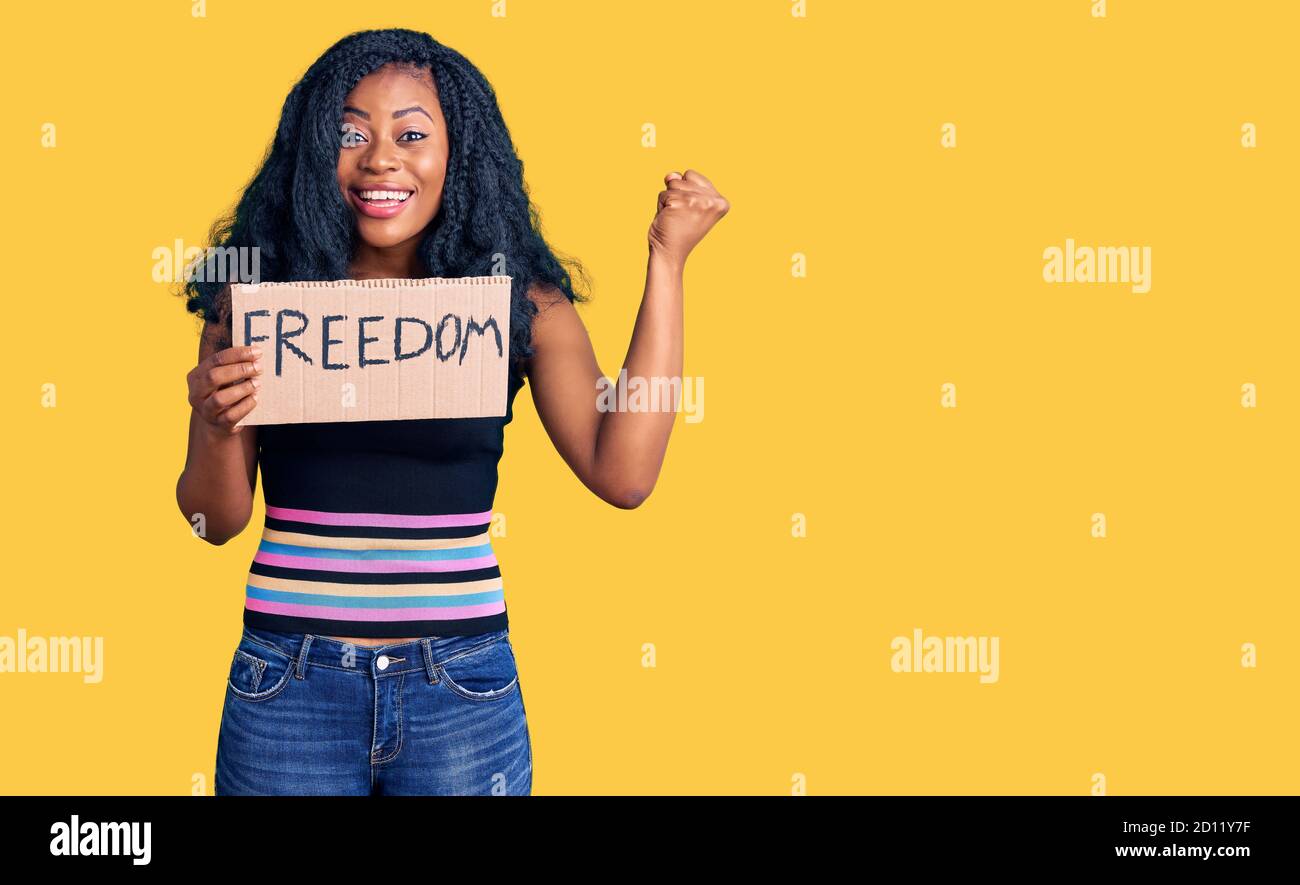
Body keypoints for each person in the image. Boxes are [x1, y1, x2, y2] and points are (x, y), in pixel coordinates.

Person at [173, 28, 729, 795]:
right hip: (288, 685)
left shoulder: (517, 307)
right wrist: (213, 423)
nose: (380, 160)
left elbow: (625, 472)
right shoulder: (261, 305)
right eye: (350, 134)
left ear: (458, 153)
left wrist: (667, 262)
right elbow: (214, 522)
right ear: (313, 153)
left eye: (411, 134)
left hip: (459, 689)